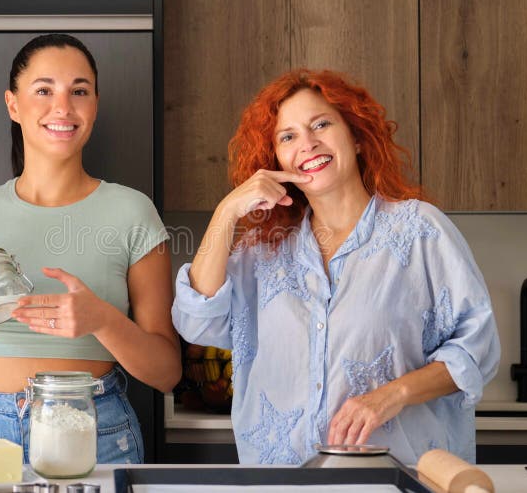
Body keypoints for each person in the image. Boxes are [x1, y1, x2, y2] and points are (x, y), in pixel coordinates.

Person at [172, 69, 500, 466]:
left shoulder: (419, 232)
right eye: (287, 136)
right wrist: (227, 211)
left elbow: (476, 349)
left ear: (358, 137)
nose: (307, 144)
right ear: (275, 158)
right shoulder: (264, 254)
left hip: (392, 480)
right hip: (281, 484)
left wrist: (390, 396)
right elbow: (196, 319)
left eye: (321, 124)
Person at [0, 33, 181, 465]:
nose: (63, 107)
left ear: (94, 105)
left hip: (95, 430)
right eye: (44, 90)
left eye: (79, 91)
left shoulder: (133, 212)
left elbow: (167, 373)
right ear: (13, 105)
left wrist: (102, 320)